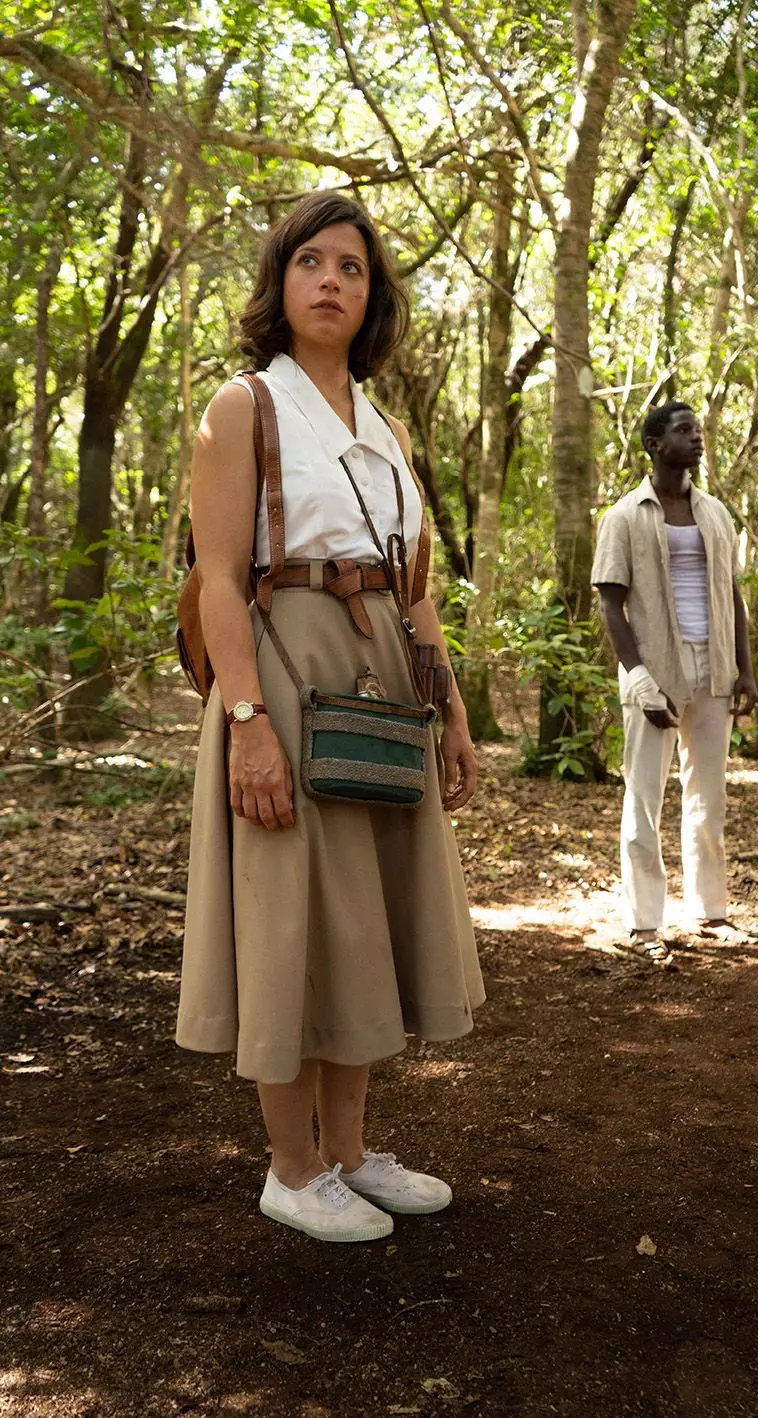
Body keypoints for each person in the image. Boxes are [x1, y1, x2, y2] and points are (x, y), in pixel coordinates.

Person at [175, 192, 484, 1243]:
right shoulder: (243, 407)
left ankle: (352, 1155)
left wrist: (451, 710)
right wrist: (249, 721)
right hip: (284, 672)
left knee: (363, 919)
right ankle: (292, 1166)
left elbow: (415, 584)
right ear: (280, 281)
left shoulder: (386, 429)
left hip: (383, 680)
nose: (331, 281)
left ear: (372, 295)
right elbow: (218, 578)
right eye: (311, 260)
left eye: (352, 267)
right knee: (293, 915)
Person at [592, 401, 758, 961]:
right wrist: (639, 679)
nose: (697, 439)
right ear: (655, 444)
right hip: (655, 671)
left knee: (707, 797)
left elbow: (732, 596)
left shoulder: (715, 514)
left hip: (712, 667)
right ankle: (643, 924)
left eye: (699, 431)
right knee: (643, 798)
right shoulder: (624, 516)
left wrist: (746, 671)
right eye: (684, 431)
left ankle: (710, 913)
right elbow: (611, 604)